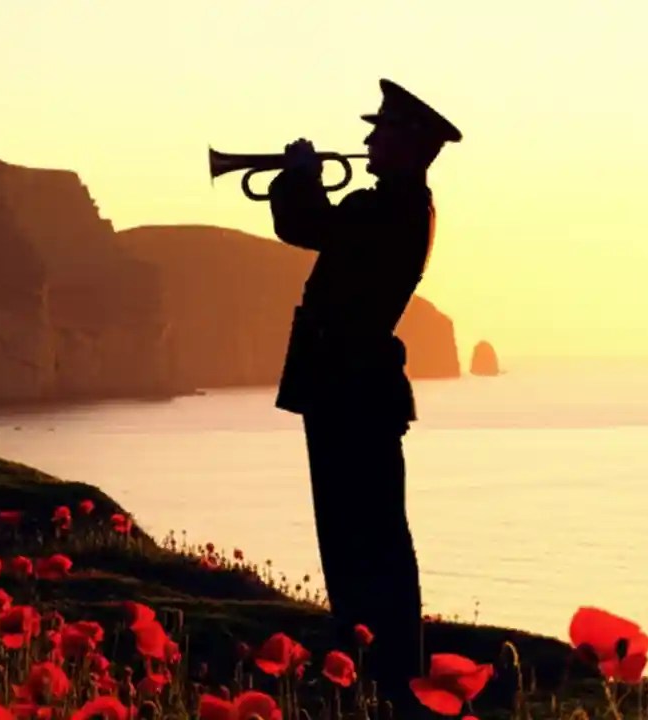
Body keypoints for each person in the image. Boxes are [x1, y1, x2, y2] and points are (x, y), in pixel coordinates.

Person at [266, 78, 462, 712]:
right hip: (352, 385)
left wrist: (298, 174)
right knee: (362, 533)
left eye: (381, 130)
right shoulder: (395, 206)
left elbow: (304, 224)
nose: (368, 139)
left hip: (349, 387)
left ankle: (384, 669)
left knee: (361, 536)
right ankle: (374, 662)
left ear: (408, 144)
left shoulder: (388, 208)